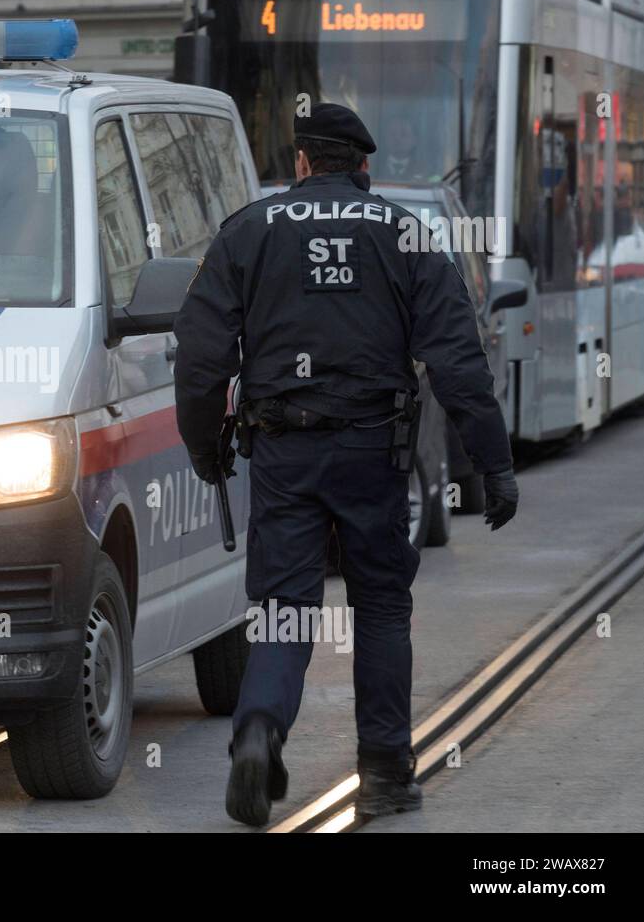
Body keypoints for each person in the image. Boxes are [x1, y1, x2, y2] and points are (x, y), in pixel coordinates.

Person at [173, 102, 519, 826]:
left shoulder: (247, 233)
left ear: (300, 164)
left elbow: (201, 356)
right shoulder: (408, 237)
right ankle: (387, 774)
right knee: (383, 608)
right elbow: (459, 361)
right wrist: (492, 465)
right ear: (364, 170)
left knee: (284, 611)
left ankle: (259, 733)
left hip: (282, 454)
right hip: (373, 451)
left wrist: (206, 448)